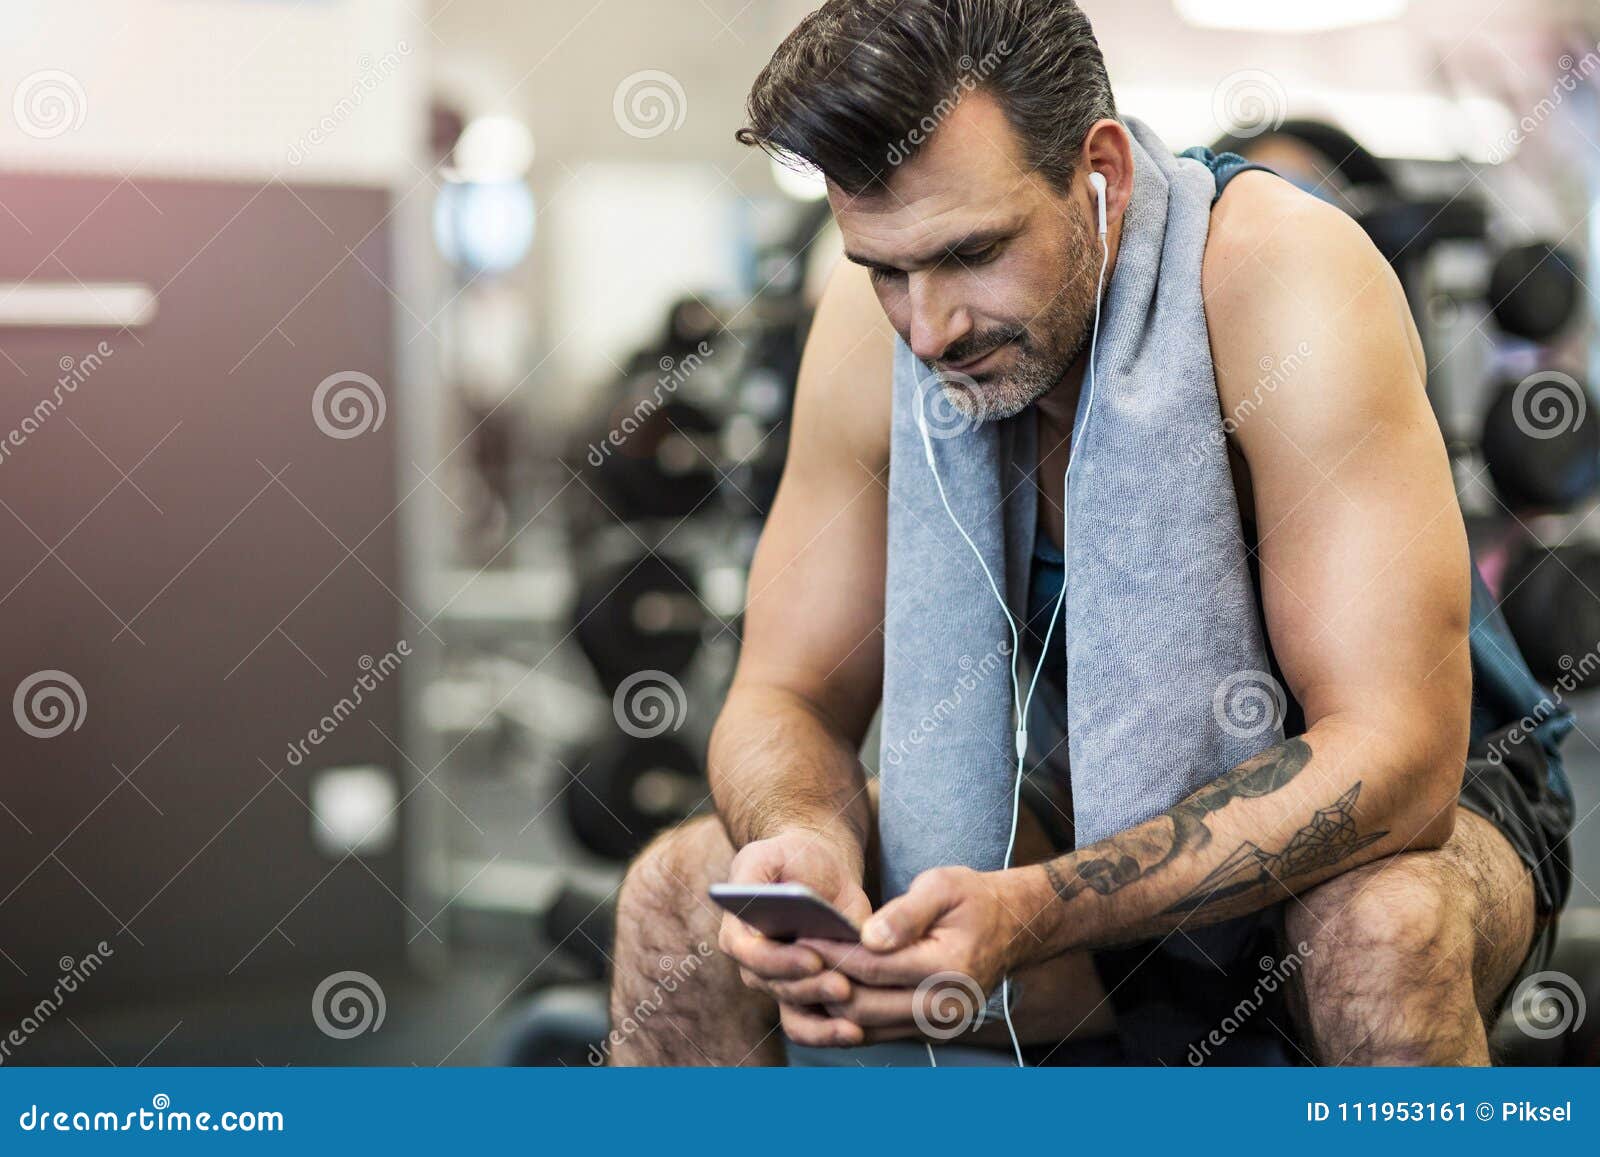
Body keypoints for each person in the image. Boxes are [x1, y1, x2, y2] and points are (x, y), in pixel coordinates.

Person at [607, 0, 1573, 1066]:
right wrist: (804, 835)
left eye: (971, 251)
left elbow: (1395, 756)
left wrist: (1042, 908)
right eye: (886, 268)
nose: (928, 330)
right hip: (1056, 800)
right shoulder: (864, 328)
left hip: (1400, 814)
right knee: (675, 897)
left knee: (1382, 930)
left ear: (1099, 170)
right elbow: (785, 690)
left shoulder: (1284, 277)